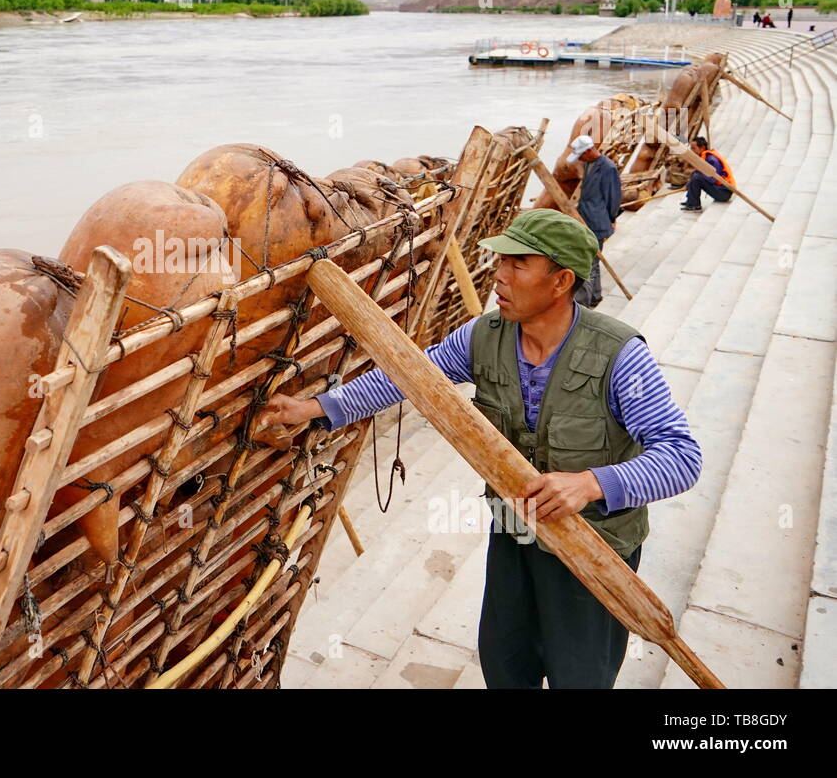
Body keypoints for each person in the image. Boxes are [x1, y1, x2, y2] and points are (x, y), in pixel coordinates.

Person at [256, 209, 702, 688]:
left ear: (561, 281)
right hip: (515, 535)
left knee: (581, 674)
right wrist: (315, 408)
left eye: (518, 264)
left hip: (595, 552)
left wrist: (592, 483)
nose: (499, 275)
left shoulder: (618, 356)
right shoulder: (484, 337)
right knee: (504, 662)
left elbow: (681, 456)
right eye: (500, 261)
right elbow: (410, 377)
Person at [567, 135, 621, 308]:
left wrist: (612, 219)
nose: (580, 159)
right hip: (586, 218)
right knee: (592, 261)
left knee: (588, 262)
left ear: (589, 151)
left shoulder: (608, 168)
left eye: (581, 155)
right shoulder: (589, 163)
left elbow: (613, 197)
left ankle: (584, 302)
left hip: (598, 222)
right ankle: (595, 296)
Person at [680, 135, 735, 211]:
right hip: (720, 190)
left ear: (702, 148)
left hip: (723, 193)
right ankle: (690, 201)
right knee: (695, 175)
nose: (692, 151)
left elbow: (712, 179)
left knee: (696, 177)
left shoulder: (711, 160)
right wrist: (688, 185)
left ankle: (694, 205)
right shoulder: (705, 158)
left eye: (693, 148)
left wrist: (696, 179)